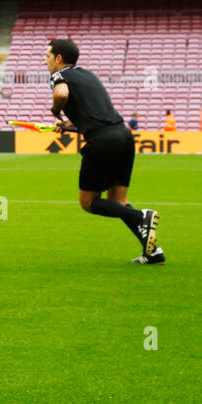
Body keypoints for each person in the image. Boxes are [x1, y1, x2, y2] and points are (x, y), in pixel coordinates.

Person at [47, 38, 162, 264]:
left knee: (89, 202)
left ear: (59, 59)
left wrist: (56, 111)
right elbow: (96, 115)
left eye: (48, 56)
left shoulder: (60, 75)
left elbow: (61, 94)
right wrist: (70, 125)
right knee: (118, 201)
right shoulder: (89, 75)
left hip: (102, 142)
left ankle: (141, 216)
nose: (45, 62)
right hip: (123, 136)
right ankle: (153, 253)